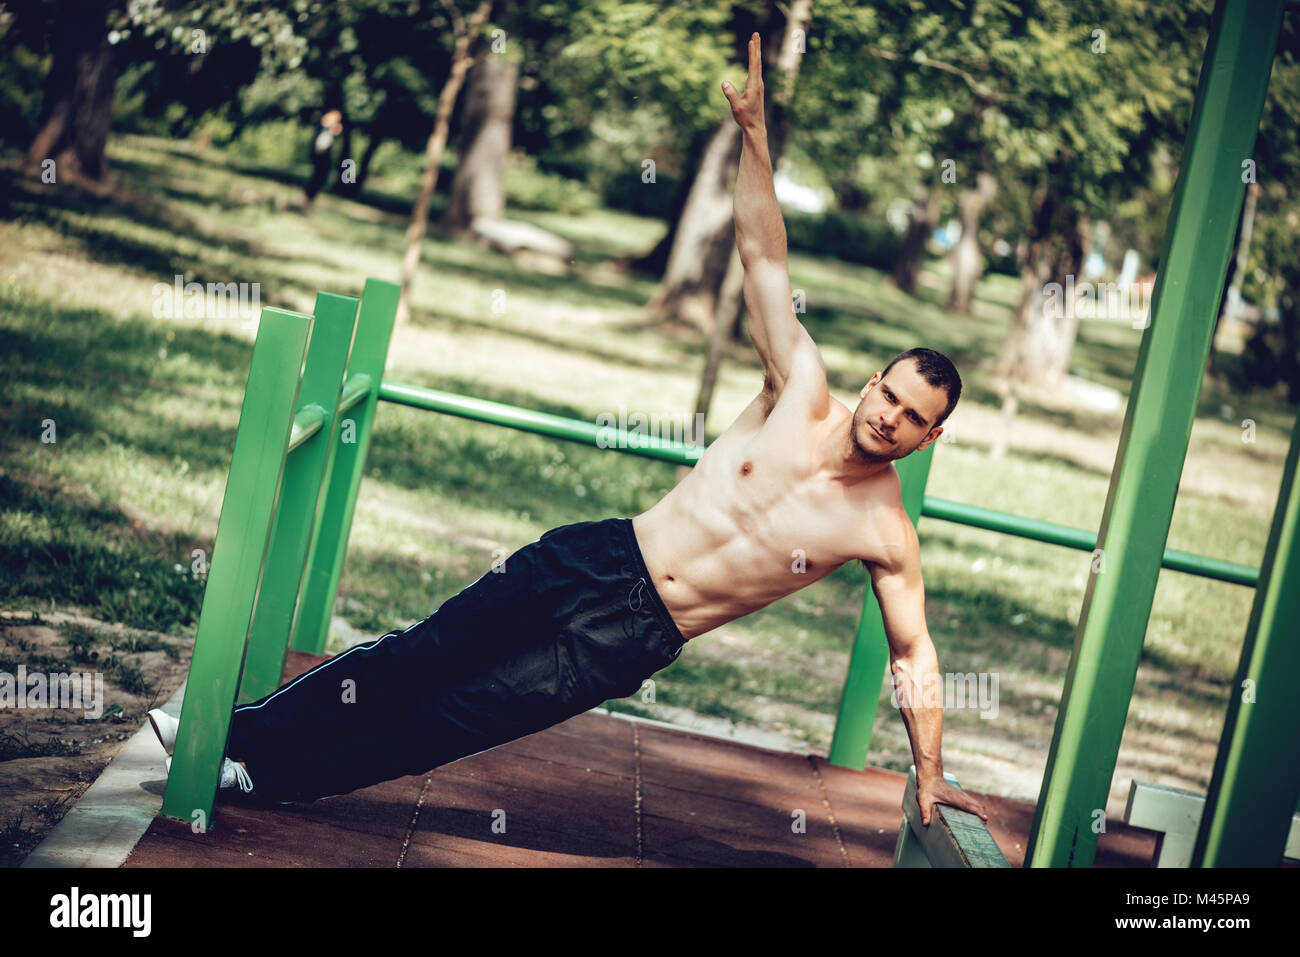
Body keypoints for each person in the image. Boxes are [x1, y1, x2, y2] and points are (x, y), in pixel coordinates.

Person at [154, 32, 988, 828]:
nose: (891, 417)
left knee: (451, 718)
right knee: (423, 653)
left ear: (929, 439)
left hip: (634, 633)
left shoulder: (884, 530)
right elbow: (763, 254)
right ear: (875, 379)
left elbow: (913, 651)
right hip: (601, 553)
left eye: (916, 417)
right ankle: (238, 733)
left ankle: (269, 778)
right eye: (892, 394)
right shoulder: (798, 387)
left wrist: (929, 767)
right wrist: (756, 139)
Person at [301, 109, 343, 212]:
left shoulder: (325, 130)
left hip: (321, 158)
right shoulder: (326, 130)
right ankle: (306, 202)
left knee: (319, 179)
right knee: (318, 179)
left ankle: (307, 203)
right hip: (321, 158)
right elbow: (321, 146)